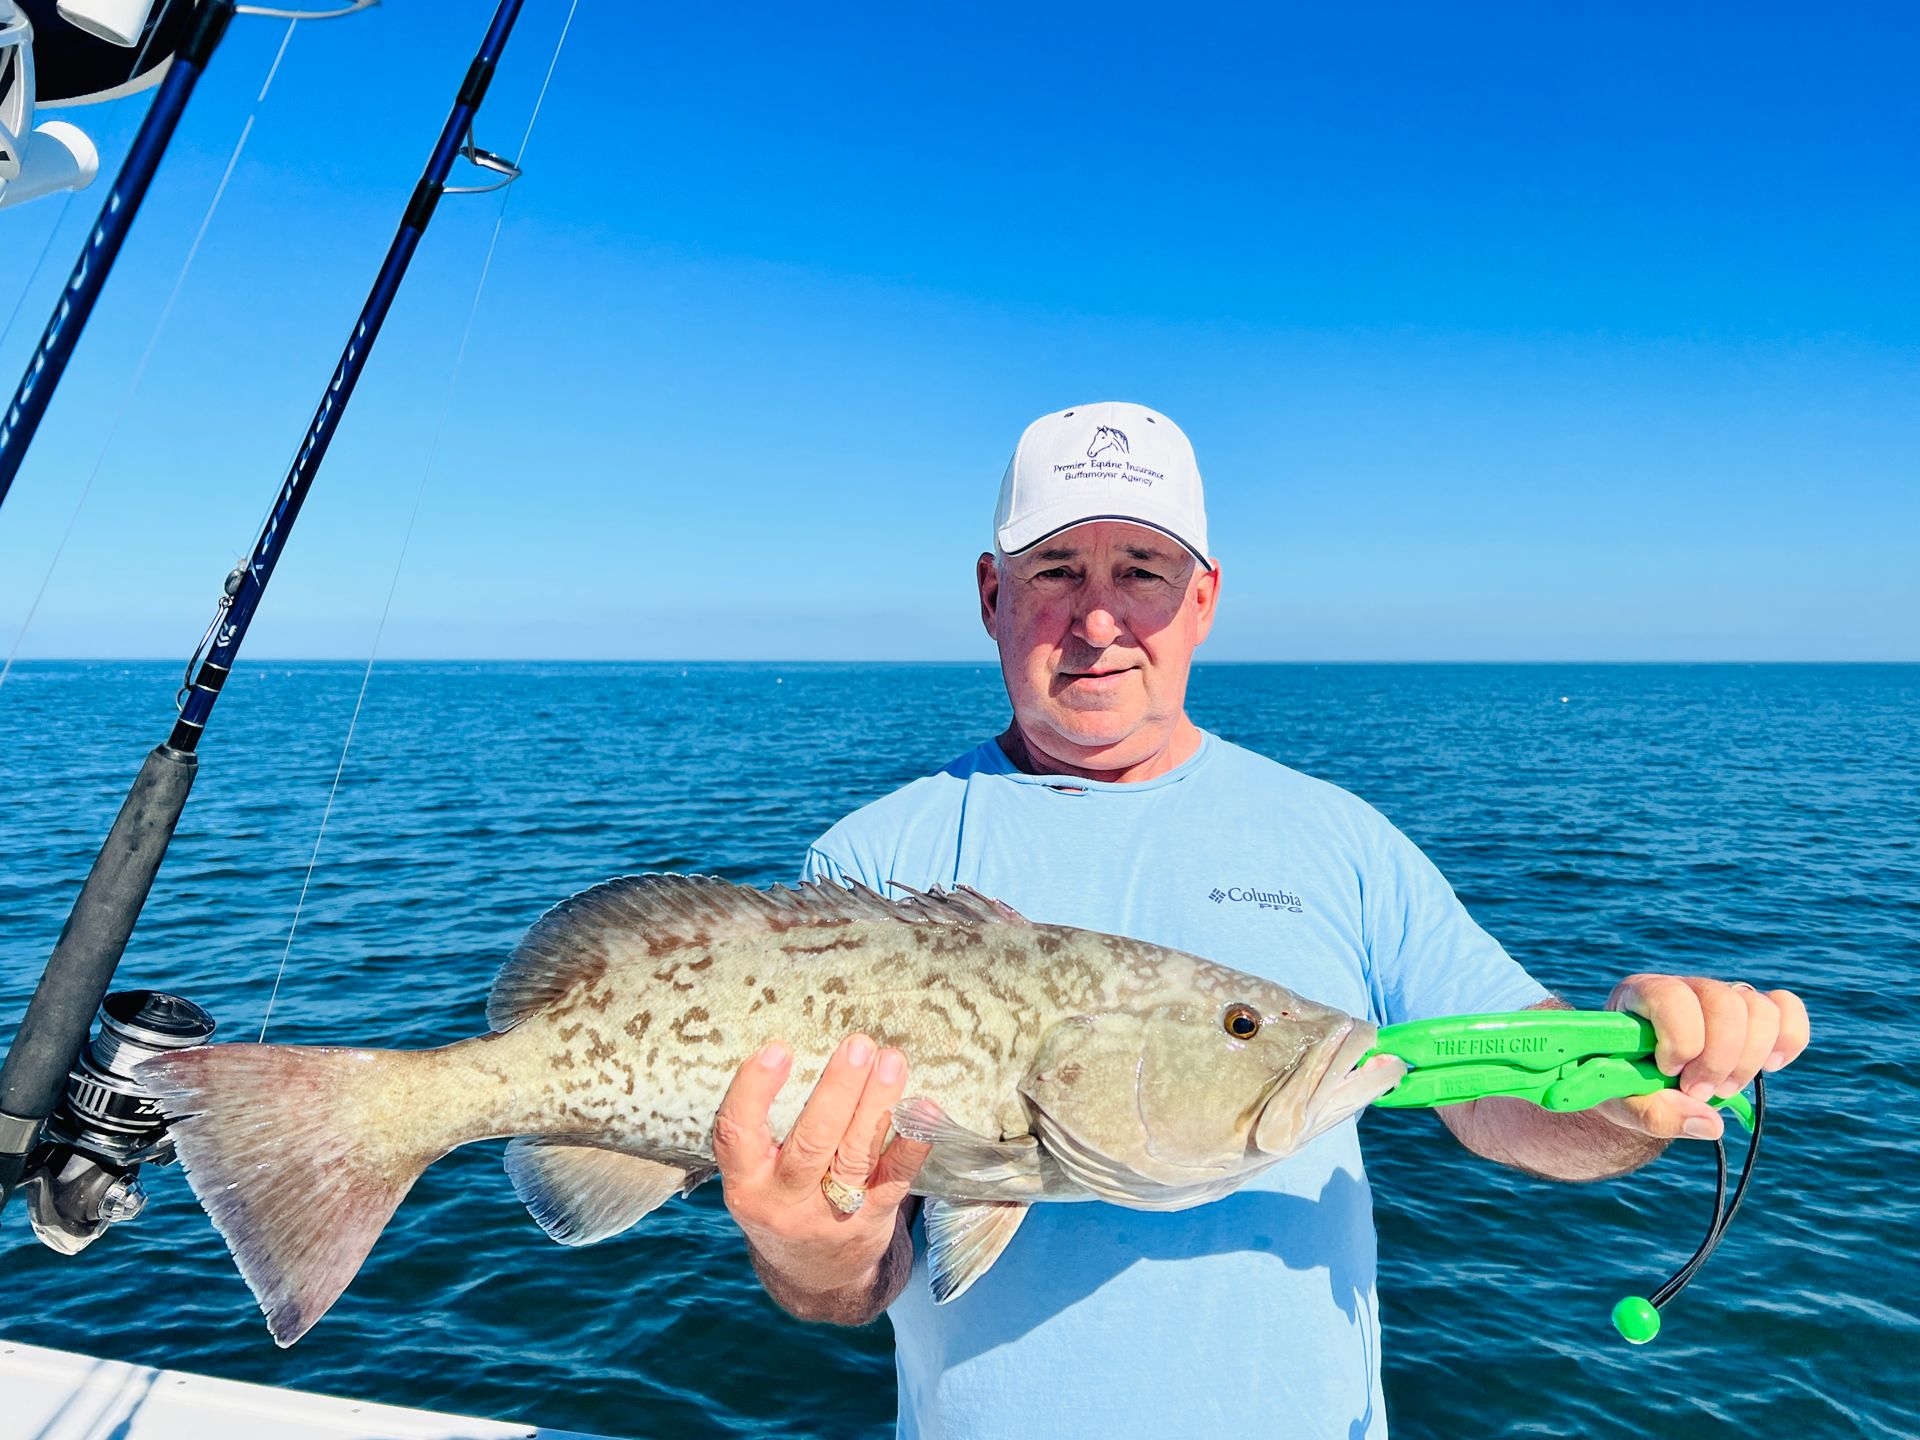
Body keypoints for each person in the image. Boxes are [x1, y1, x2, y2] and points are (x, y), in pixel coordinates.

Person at [709, 401, 1811, 1439]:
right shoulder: (870, 865)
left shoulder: (1338, 838)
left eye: (1141, 571)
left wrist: (1627, 1078)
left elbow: (1495, 1094)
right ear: (992, 594)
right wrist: (814, 1251)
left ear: (1203, 599)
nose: (1098, 618)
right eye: (1056, 571)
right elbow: (854, 1276)